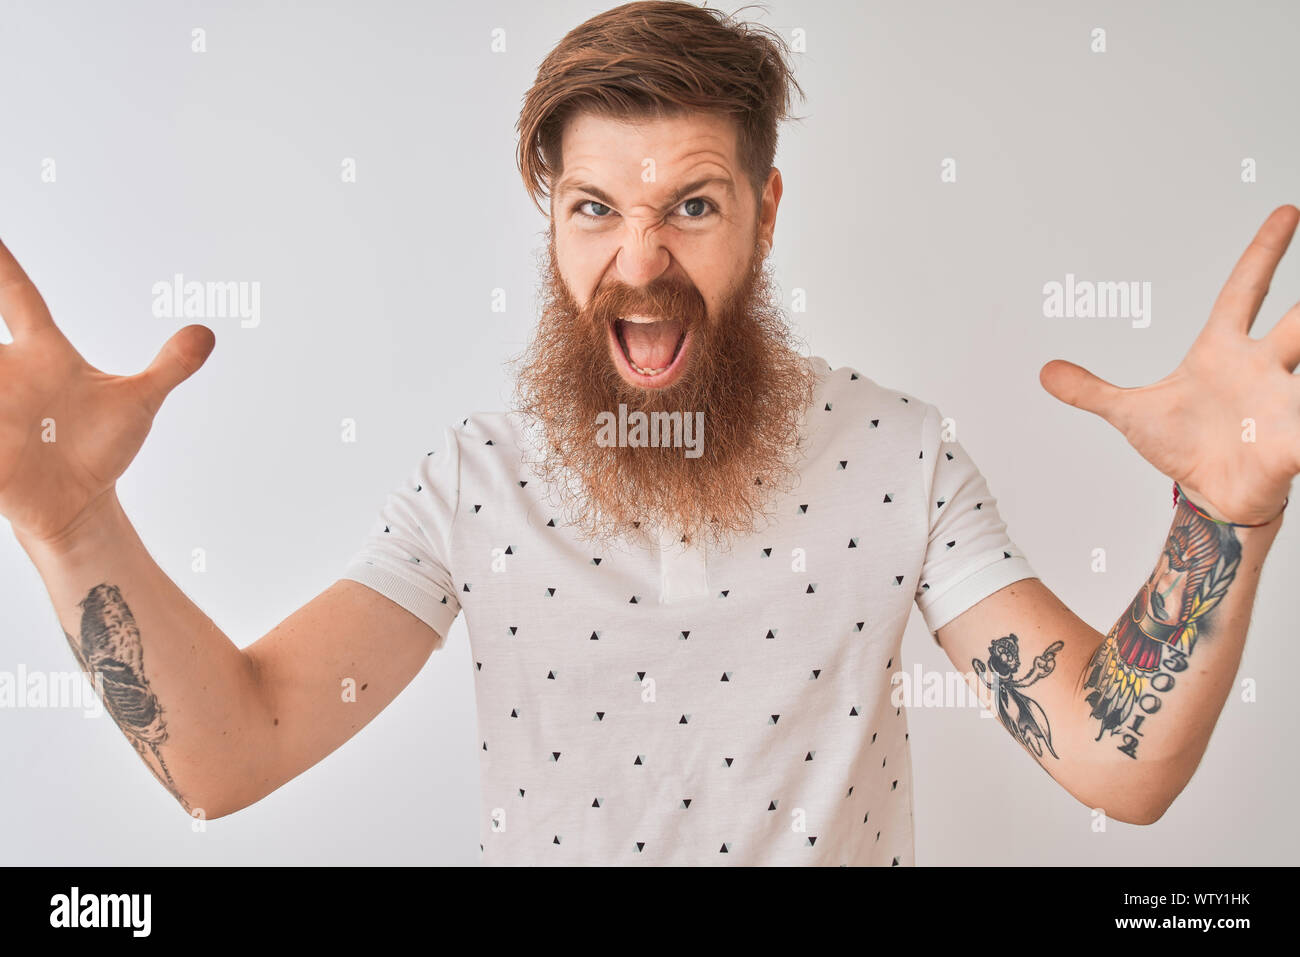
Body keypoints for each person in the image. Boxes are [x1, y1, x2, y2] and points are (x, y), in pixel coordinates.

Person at [2, 0, 1295, 866]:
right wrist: (71, 522)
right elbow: (231, 749)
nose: (641, 259)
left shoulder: (905, 459)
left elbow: (1114, 759)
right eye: (594, 209)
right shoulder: (478, 479)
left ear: (766, 215)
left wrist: (1220, 527)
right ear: (548, 216)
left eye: (691, 204)